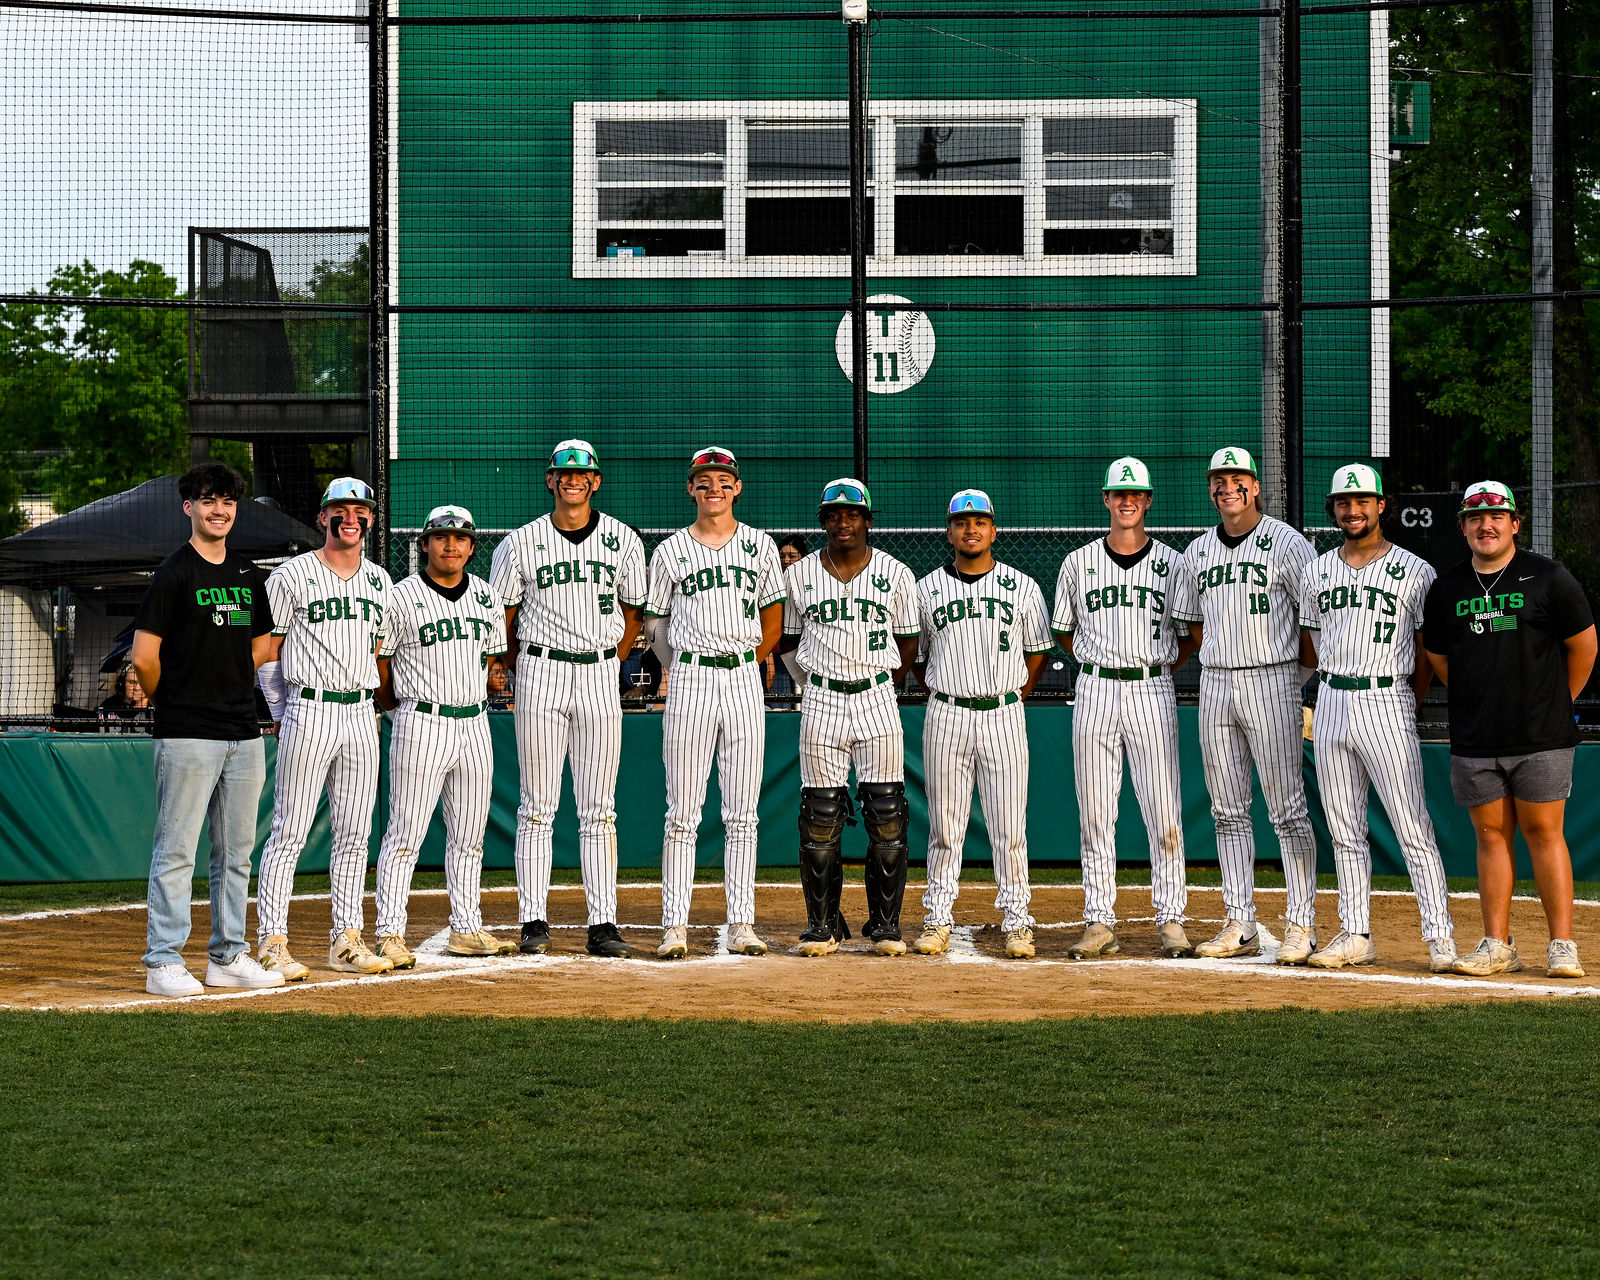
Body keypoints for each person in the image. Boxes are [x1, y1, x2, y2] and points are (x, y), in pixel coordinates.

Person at [1421, 481, 1597, 978]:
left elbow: (1584, 647)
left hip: (1542, 735)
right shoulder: (1449, 586)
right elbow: (1438, 657)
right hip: (1477, 735)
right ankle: (1498, 944)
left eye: (1497, 516)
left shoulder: (1548, 577)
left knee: (1545, 834)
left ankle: (1562, 944)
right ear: (1463, 527)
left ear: (1515, 524)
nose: (1486, 525)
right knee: (1491, 836)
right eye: (1475, 518)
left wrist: (1556, 701)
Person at [130, 462, 284, 996]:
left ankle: (228, 956)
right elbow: (144, 655)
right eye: (209, 500)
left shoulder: (247, 576)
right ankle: (163, 962)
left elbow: (264, 646)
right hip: (187, 731)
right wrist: (172, 698)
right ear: (188, 507)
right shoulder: (173, 573)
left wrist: (228, 677)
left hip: (244, 731)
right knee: (177, 851)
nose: (220, 510)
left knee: (236, 851)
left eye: (228, 502)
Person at [489, 440, 646, 959]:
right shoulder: (519, 542)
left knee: (599, 808)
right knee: (537, 806)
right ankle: (533, 919)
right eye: (564, 472)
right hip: (540, 671)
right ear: (550, 480)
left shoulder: (622, 539)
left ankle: (603, 922)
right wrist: (521, 665)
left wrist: (608, 656)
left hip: (599, 672)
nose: (574, 480)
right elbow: (503, 621)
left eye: (583, 473)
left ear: (596, 481)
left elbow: (632, 616)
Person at [1298, 464, 1457, 971]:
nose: (1353, 510)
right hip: (1332, 701)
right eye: (1344, 503)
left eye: (1362, 501)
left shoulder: (1416, 570)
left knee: (1412, 827)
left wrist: (1406, 698)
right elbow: (1312, 643)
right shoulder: (1317, 570)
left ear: (1381, 505)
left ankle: (1440, 939)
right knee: (1344, 829)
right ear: (1335, 509)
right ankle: (1355, 933)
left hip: (1387, 699)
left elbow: (1424, 650)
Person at [1171, 447, 1319, 962]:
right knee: (1228, 810)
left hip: (1273, 679)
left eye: (1237, 478)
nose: (1226, 487)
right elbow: (1192, 623)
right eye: (1218, 479)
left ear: (1255, 486)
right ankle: (1241, 920)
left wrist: (1294, 681)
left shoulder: (1290, 544)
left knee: (1288, 811)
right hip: (1216, 682)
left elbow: (1312, 624)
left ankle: (1301, 923)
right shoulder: (1196, 553)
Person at [1053, 458, 1200, 960]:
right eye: (1119, 493)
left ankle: (1172, 919)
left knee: (1164, 812)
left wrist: (1152, 666)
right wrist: (1103, 661)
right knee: (1096, 812)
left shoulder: (1174, 563)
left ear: (1149, 500)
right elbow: (1065, 633)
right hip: (1095, 689)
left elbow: (1190, 635)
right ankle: (1098, 920)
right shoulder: (1077, 562)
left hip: (1150, 688)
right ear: (1106, 499)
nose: (1128, 500)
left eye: (1136, 493)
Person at [645, 446, 786, 959]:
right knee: (682, 811)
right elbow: (655, 626)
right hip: (691, 679)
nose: (714, 489)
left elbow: (773, 621)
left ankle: (741, 923)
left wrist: (750, 658)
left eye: (724, 480)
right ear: (690, 488)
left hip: (742, 680)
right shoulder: (669, 551)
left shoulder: (760, 546)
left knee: (742, 813)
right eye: (704, 481)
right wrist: (679, 665)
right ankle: (674, 926)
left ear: (738, 487)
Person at [254, 476, 395, 980]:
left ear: (372, 520)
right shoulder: (290, 576)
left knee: (355, 834)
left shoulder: (380, 581)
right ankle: (271, 941)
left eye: (360, 510)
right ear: (323, 517)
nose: (350, 518)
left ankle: (347, 940)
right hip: (308, 707)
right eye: (340, 509)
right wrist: (279, 711)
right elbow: (267, 653)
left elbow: (379, 654)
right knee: (289, 830)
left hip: (360, 712)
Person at [778, 479, 920, 957]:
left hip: (877, 696)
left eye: (852, 513)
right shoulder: (798, 577)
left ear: (868, 520)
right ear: (823, 521)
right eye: (834, 514)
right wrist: (813, 680)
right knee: (820, 815)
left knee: (886, 812)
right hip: (821, 698)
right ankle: (822, 925)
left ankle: (885, 926)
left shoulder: (896, 573)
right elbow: (789, 642)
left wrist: (873, 675)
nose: (843, 522)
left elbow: (906, 645)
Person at [912, 489, 1054, 960]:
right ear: (948, 531)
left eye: (979, 522)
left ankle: (1016, 920)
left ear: (994, 530)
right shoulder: (925, 589)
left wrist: (1011, 695)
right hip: (947, 711)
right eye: (961, 522)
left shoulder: (1023, 587)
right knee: (945, 827)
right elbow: (919, 658)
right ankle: (937, 918)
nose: (970, 530)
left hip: (1003, 712)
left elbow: (1036, 653)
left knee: (1009, 826)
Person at [372, 505, 514, 969]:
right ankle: (390, 932)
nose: (451, 545)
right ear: (425, 544)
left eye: (460, 539)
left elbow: (494, 662)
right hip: (421, 721)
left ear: (472, 548)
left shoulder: (488, 597)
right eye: (441, 537)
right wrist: (401, 709)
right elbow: (382, 668)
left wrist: (492, 682)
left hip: (474, 723)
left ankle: (466, 928)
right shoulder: (400, 596)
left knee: (470, 835)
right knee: (405, 834)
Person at [767, 534, 810, 699]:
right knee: (779, 700)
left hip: (804, 652)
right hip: (778, 652)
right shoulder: (772, 581)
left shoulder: (810, 583)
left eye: (792, 556)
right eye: (782, 556)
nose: (786, 560)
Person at [99, 662, 154, 734]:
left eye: (142, 683)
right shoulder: (107, 706)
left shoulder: (155, 708)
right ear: (122, 683)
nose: (137, 688)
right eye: (132, 682)